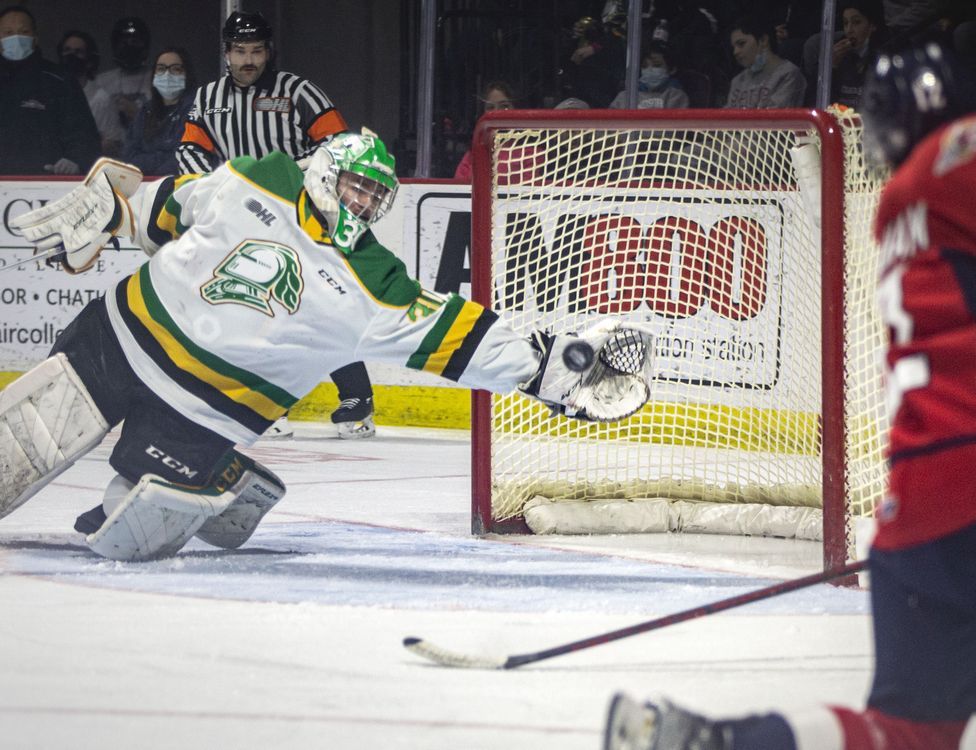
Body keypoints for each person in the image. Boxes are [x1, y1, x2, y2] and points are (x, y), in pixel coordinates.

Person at [0, 130, 652, 564]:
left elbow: (460, 335)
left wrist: (550, 371)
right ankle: (216, 480)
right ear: (329, 169)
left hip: (195, 415)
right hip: (113, 342)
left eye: (374, 197)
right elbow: (171, 207)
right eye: (357, 186)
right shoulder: (259, 177)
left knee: (121, 533)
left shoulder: (374, 283)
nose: (363, 203)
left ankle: (216, 477)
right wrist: (118, 213)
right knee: (18, 443)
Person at [602, 42, 976, 750]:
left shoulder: (897, 209)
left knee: (909, 732)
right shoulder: (973, 152)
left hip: (915, 513)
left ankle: (710, 741)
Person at [175, 11, 368, 439]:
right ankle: (264, 401)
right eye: (240, 51)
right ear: (226, 53)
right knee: (247, 305)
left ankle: (356, 395)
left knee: (315, 304)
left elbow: (339, 145)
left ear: (268, 52)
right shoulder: (208, 97)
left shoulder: (298, 92)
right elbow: (190, 149)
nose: (249, 60)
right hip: (239, 215)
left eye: (257, 51)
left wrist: (293, 173)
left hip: (300, 212)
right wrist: (212, 185)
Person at [0, 5, 100, 175]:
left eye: (23, 31)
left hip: (47, 184)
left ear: (35, 38)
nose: (16, 37)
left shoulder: (59, 80)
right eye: (8, 33)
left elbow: (85, 136)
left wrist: (75, 161)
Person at [122, 47, 196, 175]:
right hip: (141, 186)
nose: (167, 75)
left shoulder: (195, 109)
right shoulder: (145, 111)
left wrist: (146, 163)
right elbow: (128, 157)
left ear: (187, 74)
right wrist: (161, 157)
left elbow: (182, 157)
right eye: (161, 69)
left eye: (175, 69)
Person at [57, 30, 124, 157]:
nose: (72, 56)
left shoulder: (101, 99)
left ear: (89, 61)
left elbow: (113, 143)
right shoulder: (53, 94)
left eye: (78, 52)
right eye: (67, 50)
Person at [725, 16, 807, 109]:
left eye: (741, 43)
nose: (735, 52)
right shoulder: (737, 81)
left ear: (763, 40)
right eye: (733, 47)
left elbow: (777, 120)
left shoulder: (788, 75)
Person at [95, 17, 152, 131]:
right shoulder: (101, 82)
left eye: (135, 42)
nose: (129, 46)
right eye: (123, 42)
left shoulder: (158, 80)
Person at [453, 80, 516, 181]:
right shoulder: (473, 153)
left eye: (504, 106)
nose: (497, 112)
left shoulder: (532, 153)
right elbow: (457, 186)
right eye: (490, 107)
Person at [829, 1, 886, 109]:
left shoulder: (884, 57)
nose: (849, 30)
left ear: (872, 25)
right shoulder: (837, 53)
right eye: (845, 23)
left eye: (856, 22)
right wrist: (832, 67)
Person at [609, 42, 690, 110]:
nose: (650, 69)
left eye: (657, 65)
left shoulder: (676, 95)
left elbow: (674, 125)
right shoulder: (625, 96)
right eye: (644, 66)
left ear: (672, 70)